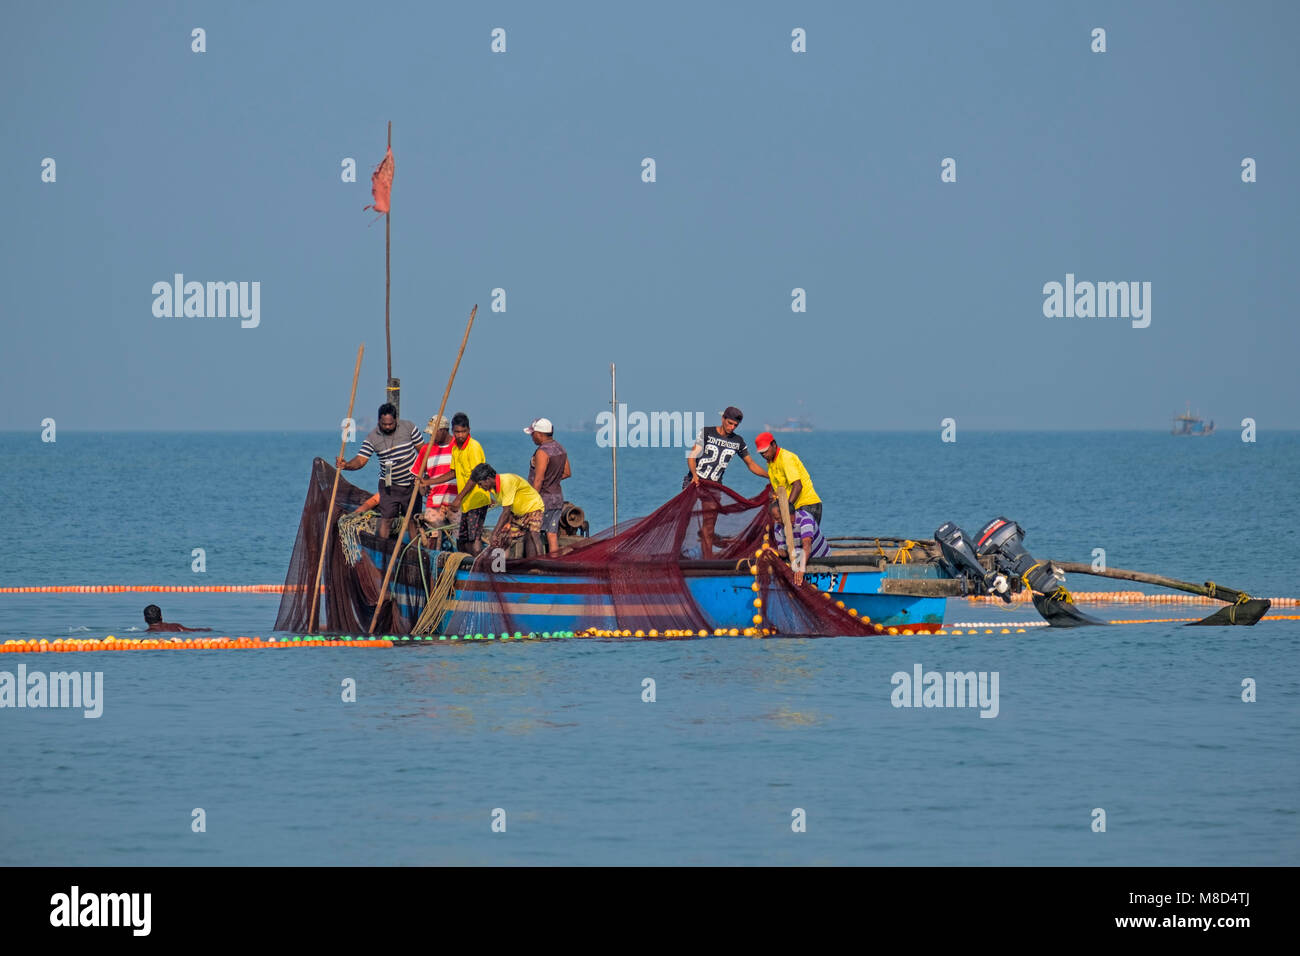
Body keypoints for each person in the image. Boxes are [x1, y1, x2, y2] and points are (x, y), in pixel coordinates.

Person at [682, 406, 769, 558]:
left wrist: (770, 476)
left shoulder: (738, 441)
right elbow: (692, 455)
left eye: (735, 425)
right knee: (684, 520)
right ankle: (678, 555)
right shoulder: (707, 432)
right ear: (723, 419)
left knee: (709, 527)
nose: (732, 427)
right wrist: (695, 475)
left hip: (714, 487)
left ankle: (707, 560)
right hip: (694, 482)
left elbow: (751, 464)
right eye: (729, 423)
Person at [336, 403, 425, 540]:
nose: (388, 427)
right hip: (389, 486)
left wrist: (426, 476)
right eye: (384, 424)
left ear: (396, 420)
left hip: (411, 484)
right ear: (379, 421)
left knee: (412, 520)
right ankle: (383, 550)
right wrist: (346, 465)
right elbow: (361, 460)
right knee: (386, 519)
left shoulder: (409, 427)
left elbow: (423, 452)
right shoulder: (372, 437)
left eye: (390, 424)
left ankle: (416, 550)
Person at [469, 463, 545, 558]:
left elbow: (506, 511)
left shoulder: (506, 482)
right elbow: (509, 509)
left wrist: (494, 533)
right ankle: (502, 566)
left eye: (480, 484)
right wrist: (502, 529)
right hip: (517, 513)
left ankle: (541, 564)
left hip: (533, 507)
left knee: (533, 535)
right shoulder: (493, 489)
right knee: (504, 536)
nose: (480, 487)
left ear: (488, 479)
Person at [446, 412, 491, 555]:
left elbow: (477, 476)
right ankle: (464, 566)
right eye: (457, 432)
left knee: (474, 539)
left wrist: (458, 498)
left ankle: (476, 567)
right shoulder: (455, 448)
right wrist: (428, 481)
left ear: (469, 430)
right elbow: (453, 472)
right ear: (452, 431)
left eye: (463, 432)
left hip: (477, 499)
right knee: (462, 540)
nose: (460, 435)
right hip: (466, 502)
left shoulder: (473, 447)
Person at [754, 432, 822, 526]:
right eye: (761, 453)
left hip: (807, 505)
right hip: (794, 507)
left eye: (766, 451)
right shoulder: (770, 463)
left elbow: (798, 486)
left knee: (806, 539)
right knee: (792, 539)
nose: (764, 455)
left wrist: (786, 511)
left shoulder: (786, 458)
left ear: (774, 444)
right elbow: (778, 486)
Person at [526, 417, 570, 554]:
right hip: (557, 498)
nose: (532, 437)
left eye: (533, 434)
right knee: (552, 535)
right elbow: (567, 473)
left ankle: (536, 564)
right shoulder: (560, 449)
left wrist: (530, 502)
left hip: (543, 500)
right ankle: (554, 565)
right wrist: (552, 479)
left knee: (534, 534)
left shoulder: (542, 452)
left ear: (539, 434)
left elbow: (538, 480)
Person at [411, 415, 458, 538]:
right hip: (434, 503)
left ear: (444, 430)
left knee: (457, 539)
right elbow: (418, 478)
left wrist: (427, 482)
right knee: (433, 537)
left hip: (457, 502)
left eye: (434, 433)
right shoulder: (426, 449)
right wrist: (422, 487)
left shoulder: (458, 447)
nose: (431, 436)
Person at [767, 497, 829, 586]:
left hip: (821, 559)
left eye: (777, 518)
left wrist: (801, 569)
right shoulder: (778, 527)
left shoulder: (805, 519)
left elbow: (807, 546)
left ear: (786, 515)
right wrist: (775, 552)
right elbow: (785, 552)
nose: (775, 521)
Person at [143, 605, 210, 633]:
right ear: (161, 617)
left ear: (145, 619)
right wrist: (207, 629)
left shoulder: (149, 631)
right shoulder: (175, 626)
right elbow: (193, 630)